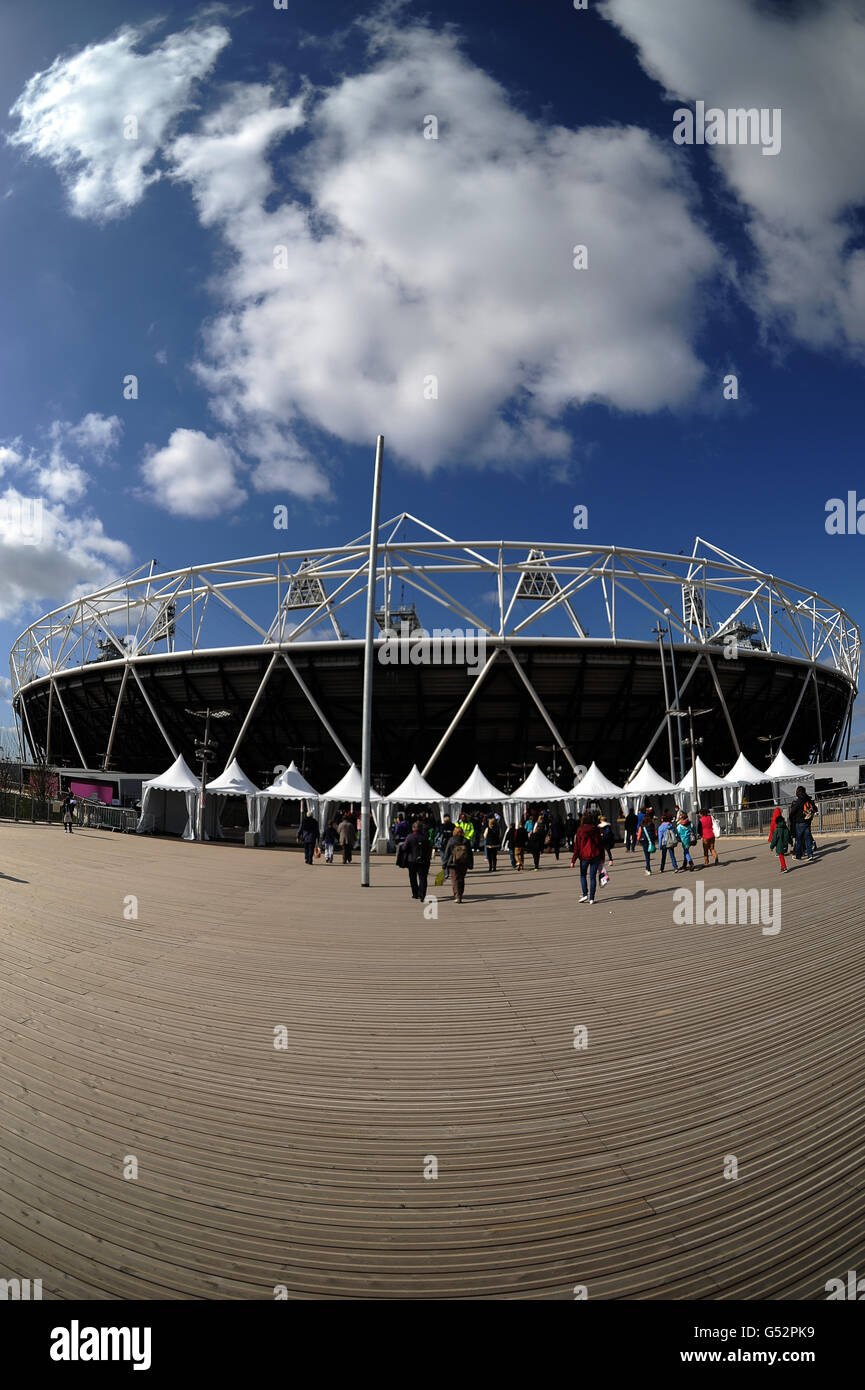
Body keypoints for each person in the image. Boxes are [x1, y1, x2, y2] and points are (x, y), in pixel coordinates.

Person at [574, 812, 604, 904]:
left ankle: (585, 894)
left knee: (583, 875)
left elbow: (577, 846)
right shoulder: (596, 830)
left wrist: (573, 859)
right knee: (592, 877)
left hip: (584, 856)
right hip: (595, 855)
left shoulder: (580, 830)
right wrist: (602, 857)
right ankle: (592, 898)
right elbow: (600, 844)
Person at [442, 824, 473, 903]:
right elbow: (470, 853)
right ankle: (460, 894)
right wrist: (471, 864)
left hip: (453, 863)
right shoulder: (466, 841)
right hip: (464, 863)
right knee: (461, 879)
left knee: (455, 880)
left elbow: (447, 853)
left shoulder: (451, 840)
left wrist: (444, 864)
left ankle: (457, 896)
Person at [402, 820, 432, 900]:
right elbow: (429, 849)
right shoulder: (425, 838)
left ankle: (415, 893)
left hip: (411, 860)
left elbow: (404, 848)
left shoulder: (409, 837)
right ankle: (422, 895)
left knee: (413, 877)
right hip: (423, 860)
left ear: (413, 828)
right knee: (423, 878)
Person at [789, 785, 817, 861]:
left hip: (800, 822)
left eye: (797, 791)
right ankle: (810, 855)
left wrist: (791, 819)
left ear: (799, 792)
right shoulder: (808, 799)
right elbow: (815, 809)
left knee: (798, 840)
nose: (796, 793)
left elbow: (792, 813)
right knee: (808, 839)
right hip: (807, 821)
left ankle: (798, 856)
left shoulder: (798, 801)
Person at [638, 807, 657, 875]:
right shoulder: (652, 824)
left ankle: (648, 869)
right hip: (651, 839)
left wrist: (638, 840)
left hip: (644, 840)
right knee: (648, 855)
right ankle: (647, 868)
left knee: (647, 856)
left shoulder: (642, 825)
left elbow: (639, 833)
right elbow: (655, 832)